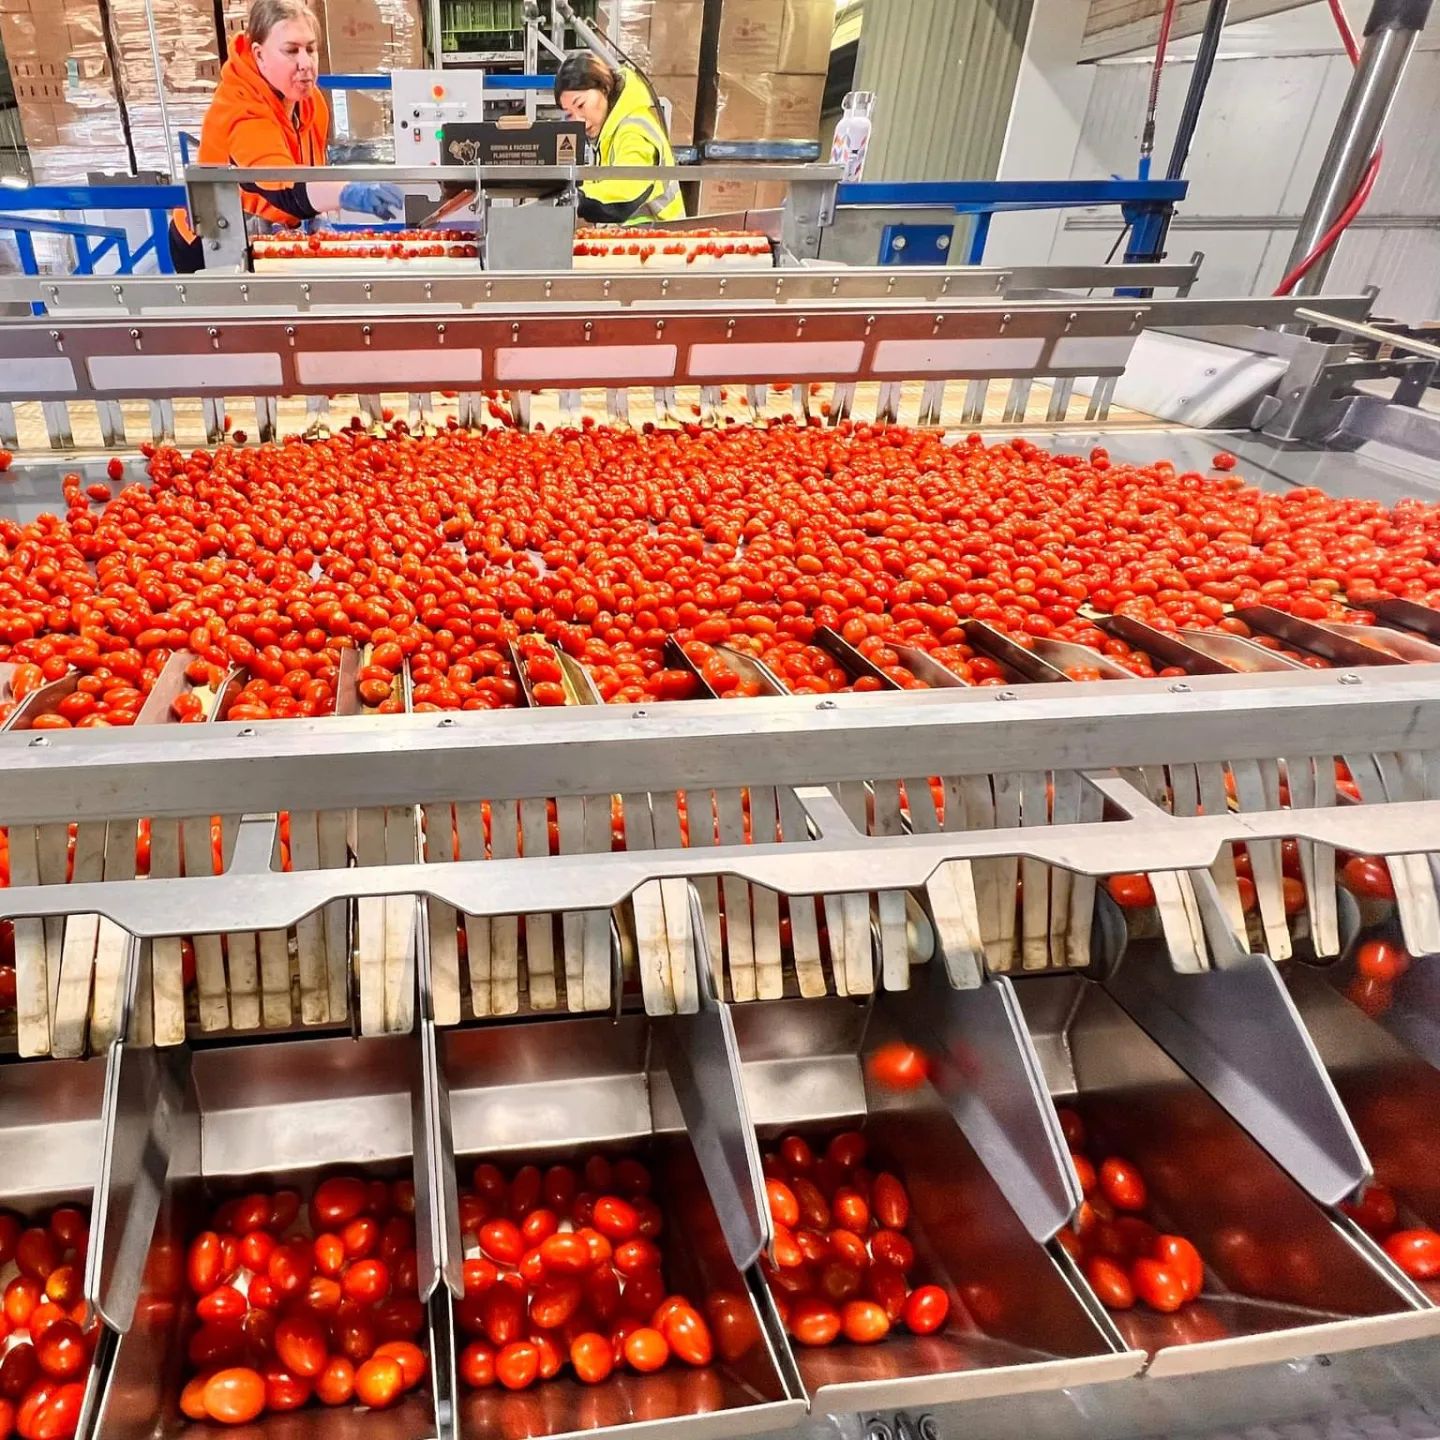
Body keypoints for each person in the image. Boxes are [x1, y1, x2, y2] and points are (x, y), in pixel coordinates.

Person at [169, 0, 405, 273]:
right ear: (259, 55)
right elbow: (284, 188)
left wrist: (320, 217)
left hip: (268, 235)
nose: (305, 63)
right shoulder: (240, 108)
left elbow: (312, 169)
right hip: (214, 245)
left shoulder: (310, 101)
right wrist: (346, 192)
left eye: (311, 48)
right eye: (291, 51)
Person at [554, 53, 685, 225]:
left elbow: (628, 188)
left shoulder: (633, 131)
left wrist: (578, 198)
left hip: (659, 243)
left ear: (604, 89)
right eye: (570, 114)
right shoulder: (607, 134)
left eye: (581, 105)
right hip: (633, 241)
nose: (579, 120)